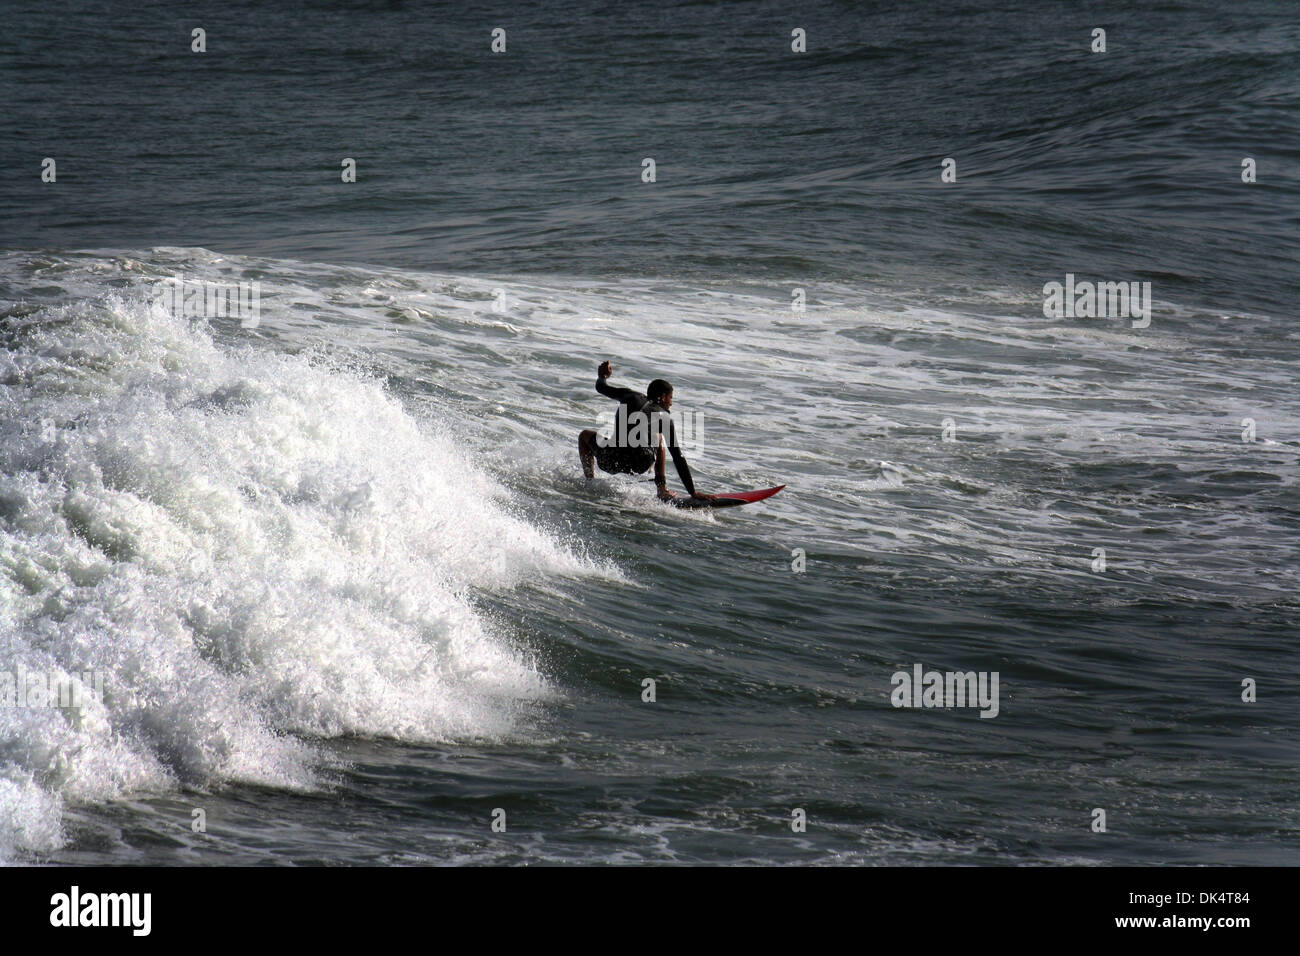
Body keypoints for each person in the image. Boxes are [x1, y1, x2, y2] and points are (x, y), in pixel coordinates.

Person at [579, 360, 711, 502]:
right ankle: (661, 490)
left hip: (611, 459)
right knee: (659, 438)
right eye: (671, 398)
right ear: (663, 397)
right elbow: (678, 457)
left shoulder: (629, 396)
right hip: (639, 462)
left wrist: (603, 376)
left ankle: (590, 482)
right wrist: (693, 492)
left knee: (584, 436)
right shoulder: (665, 418)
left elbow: (601, 387)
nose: (671, 403)